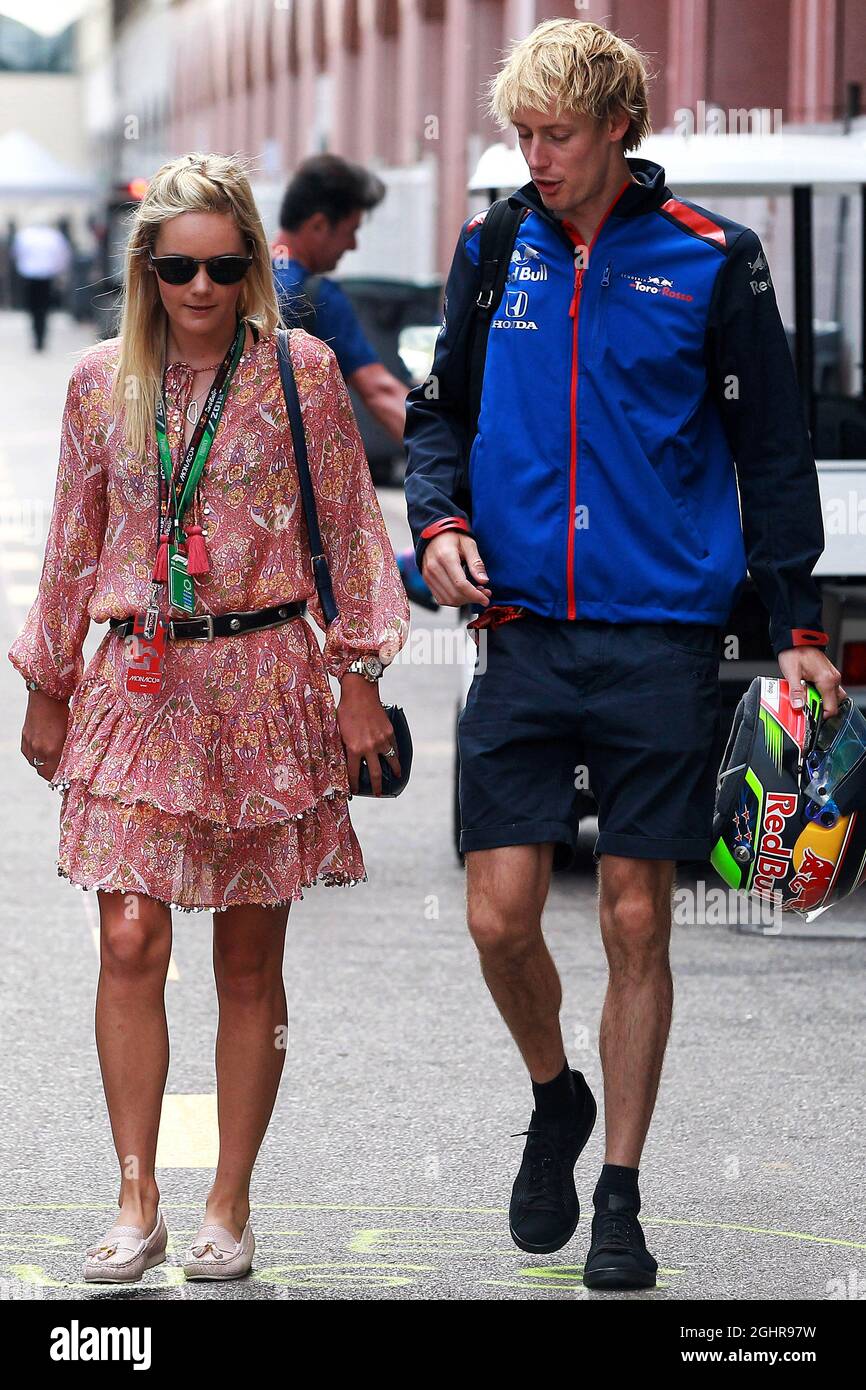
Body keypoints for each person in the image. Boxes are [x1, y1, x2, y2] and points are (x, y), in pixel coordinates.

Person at [403, 19, 844, 1290]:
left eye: (555, 134)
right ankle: (556, 1093)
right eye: (520, 135)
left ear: (616, 129)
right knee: (497, 917)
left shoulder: (712, 259)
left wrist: (795, 627)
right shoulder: (493, 249)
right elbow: (439, 415)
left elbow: (770, 449)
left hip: (658, 635)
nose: (533, 157)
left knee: (638, 912)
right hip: (521, 631)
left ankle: (619, 1194)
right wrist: (437, 521)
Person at [9, 151, 409, 1284]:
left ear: (252, 268)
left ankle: (228, 1200)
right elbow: (74, 538)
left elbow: (349, 526)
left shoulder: (300, 371)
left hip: (263, 683)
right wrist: (47, 682)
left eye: (224, 268)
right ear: (147, 269)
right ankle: (136, 1195)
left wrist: (359, 675)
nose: (200, 288)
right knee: (128, 937)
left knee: (245, 959)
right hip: (136, 687)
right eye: (179, 268)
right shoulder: (101, 382)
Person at [271, 154, 408, 443]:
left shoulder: (240, 277)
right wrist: (444, 450)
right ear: (319, 225)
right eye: (351, 231)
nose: (353, 245)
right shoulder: (317, 297)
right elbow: (380, 392)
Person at [10, 217, 72, 351]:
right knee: (43, 308)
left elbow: (16, 254)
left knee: (33, 308)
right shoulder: (54, 236)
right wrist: (59, 271)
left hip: (30, 276)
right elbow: (63, 256)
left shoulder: (24, 235)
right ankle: (41, 336)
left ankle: (37, 335)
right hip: (46, 276)